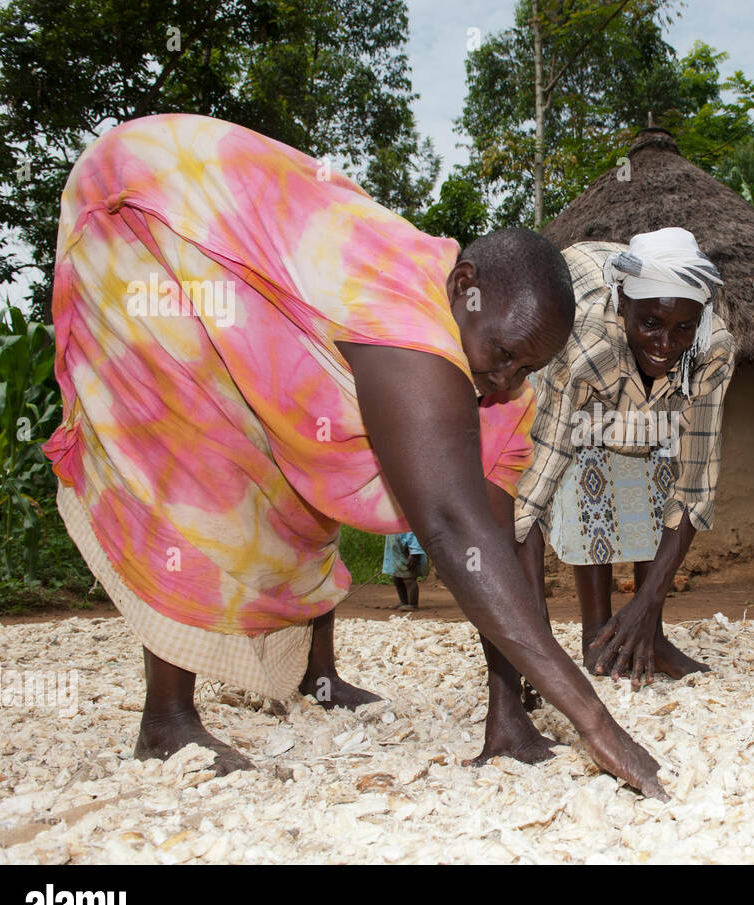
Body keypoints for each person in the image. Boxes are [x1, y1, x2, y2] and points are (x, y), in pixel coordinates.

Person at [43, 113, 664, 798]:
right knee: (202, 464)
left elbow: (500, 540)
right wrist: (598, 727)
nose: (507, 381)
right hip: (152, 205)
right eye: (505, 356)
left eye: (529, 367)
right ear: (464, 288)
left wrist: (510, 716)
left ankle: (318, 672)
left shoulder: (504, 389)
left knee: (298, 483)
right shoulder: (410, 336)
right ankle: (165, 719)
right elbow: (453, 533)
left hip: (246, 283)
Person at [513, 228, 735, 691]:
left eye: (682, 327)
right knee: (587, 458)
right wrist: (535, 646)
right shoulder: (586, 352)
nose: (665, 343)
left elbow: (694, 486)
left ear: (699, 320)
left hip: (650, 409)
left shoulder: (710, 351)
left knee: (660, 456)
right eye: (650, 323)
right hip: (582, 337)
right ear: (622, 306)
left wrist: (647, 602)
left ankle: (646, 635)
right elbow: (534, 486)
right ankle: (597, 634)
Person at [383, 532, 428, 610]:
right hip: (397, 556)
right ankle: (404, 602)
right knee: (397, 579)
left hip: (408, 555)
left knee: (409, 579)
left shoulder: (408, 523)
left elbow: (415, 537)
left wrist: (415, 554)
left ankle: (413, 604)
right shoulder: (392, 523)